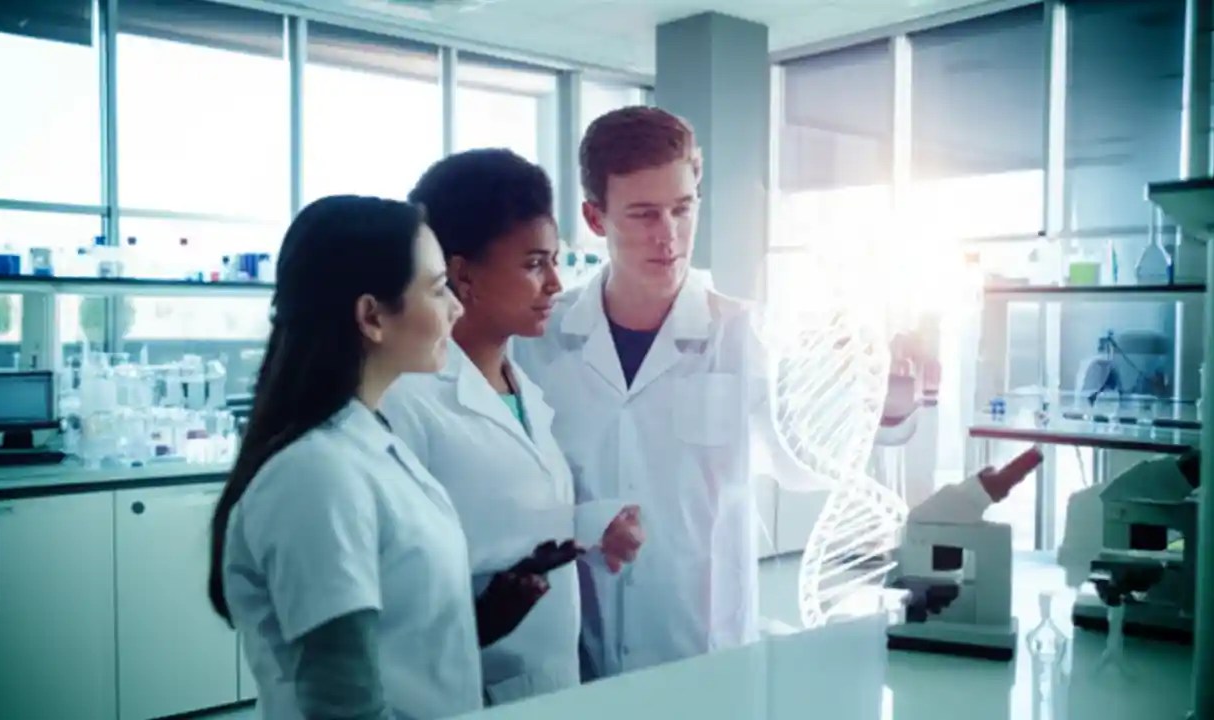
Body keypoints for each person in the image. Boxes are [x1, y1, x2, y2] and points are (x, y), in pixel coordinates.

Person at [207, 195, 578, 720]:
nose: (455, 306)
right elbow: (342, 704)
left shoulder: (368, 442)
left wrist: (481, 620)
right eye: (436, 288)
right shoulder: (315, 476)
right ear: (372, 316)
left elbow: (392, 639)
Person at [515, 107, 791, 679]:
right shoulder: (540, 345)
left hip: (707, 656)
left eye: (682, 209)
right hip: (579, 660)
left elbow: (800, 462)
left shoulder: (739, 334)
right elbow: (511, 495)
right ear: (595, 217)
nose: (668, 236)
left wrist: (889, 405)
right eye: (642, 214)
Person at [380, 149, 645, 704]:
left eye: (555, 261)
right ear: (463, 275)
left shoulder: (520, 381)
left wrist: (591, 525)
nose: (555, 282)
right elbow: (399, 575)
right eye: (533, 264)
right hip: (459, 687)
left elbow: (502, 510)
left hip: (546, 678)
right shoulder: (406, 401)